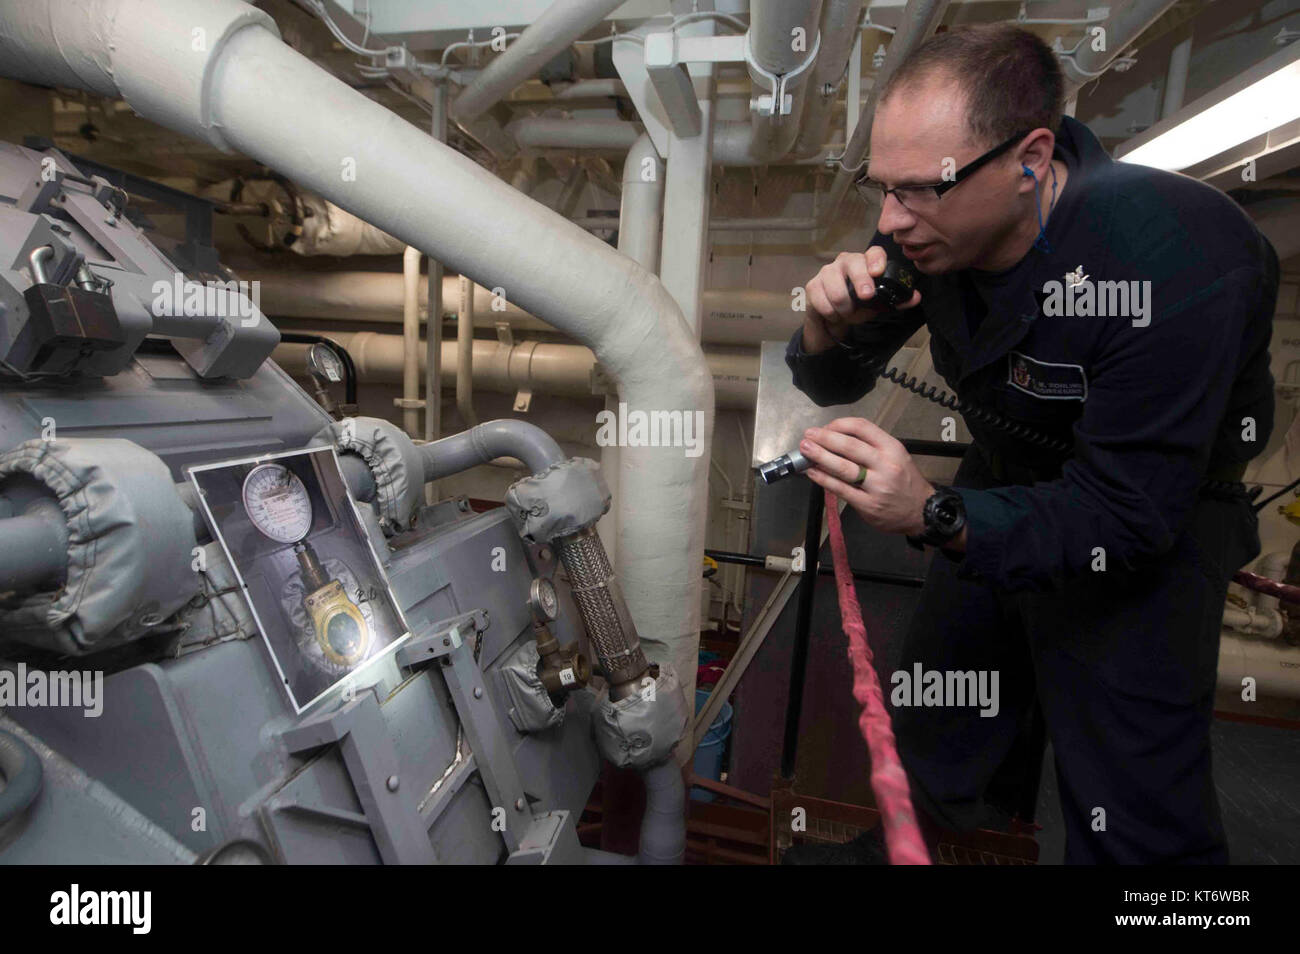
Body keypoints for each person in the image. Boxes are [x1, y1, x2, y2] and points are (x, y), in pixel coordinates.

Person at [785, 23, 1278, 864]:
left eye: (916, 191)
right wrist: (825, 322)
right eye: (880, 187)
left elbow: (1124, 518)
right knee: (942, 709)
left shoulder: (1174, 261)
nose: (887, 219)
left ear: (1030, 158)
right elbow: (830, 380)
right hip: (1005, 473)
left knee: (1133, 799)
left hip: (1150, 515)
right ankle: (928, 843)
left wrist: (932, 512)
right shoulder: (928, 221)